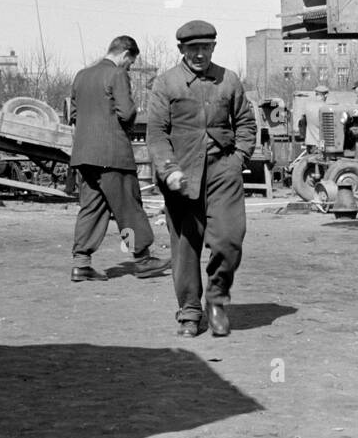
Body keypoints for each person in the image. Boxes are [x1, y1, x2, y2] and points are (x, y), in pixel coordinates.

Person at [146, 20, 256, 337]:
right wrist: (169, 170)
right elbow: (156, 133)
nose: (199, 54)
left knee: (229, 240)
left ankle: (217, 302)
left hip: (223, 169)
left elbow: (247, 124)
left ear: (213, 48)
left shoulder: (228, 80)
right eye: (193, 48)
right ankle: (190, 312)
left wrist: (239, 159)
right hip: (181, 174)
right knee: (186, 247)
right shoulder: (166, 83)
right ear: (181, 50)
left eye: (205, 48)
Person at [68, 35, 170, 282]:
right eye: (130, 62)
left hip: (83, 156)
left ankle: (81, 264)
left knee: (91, 208)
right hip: (112, 155)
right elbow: (127, 112)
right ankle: (143, 260)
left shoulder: (81, 75)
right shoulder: (117, 74)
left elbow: (72, 114)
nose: (129, 67)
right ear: (125, 54)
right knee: (128, 208)